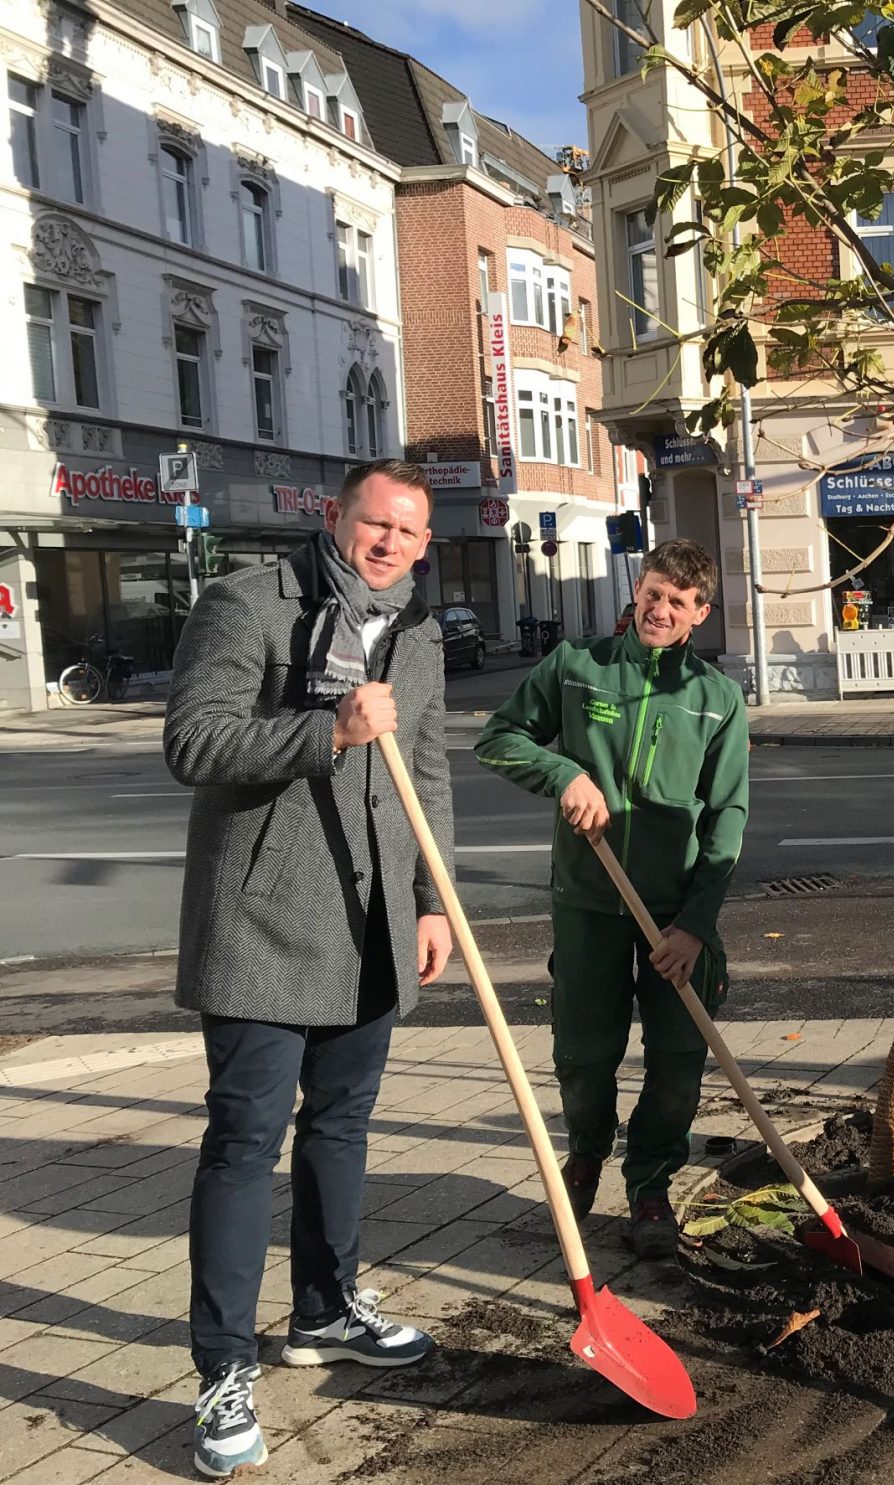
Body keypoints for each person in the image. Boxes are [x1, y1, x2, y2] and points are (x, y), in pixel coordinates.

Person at [165, 460, 455, 1479]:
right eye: (375, 524)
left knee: (341, 1127)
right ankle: (221, 1371)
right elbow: (193, 742)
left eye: (407, 534)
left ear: (424, 545)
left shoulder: (417, 634)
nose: (388, 545)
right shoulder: (247, 604)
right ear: (338, 519)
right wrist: (324, 729)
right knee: (245, 1143)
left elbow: (426, 770)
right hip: (262, 924)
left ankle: (326, 1310)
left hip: (371, 923)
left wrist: (431, 900)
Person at [476, 538, 748, 1260]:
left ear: (699, 615)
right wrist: (561, 772)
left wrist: (694, 925)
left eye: (679, 602)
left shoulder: (716, 700)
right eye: (654, 592)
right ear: (639, 590)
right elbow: (498, 740)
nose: (661, 609)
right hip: (590, 900)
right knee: (585, 1052)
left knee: (676, 1058)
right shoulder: (575, 668)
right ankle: (588, 1151)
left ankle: (652, 1186)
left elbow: (727, 820)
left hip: (675, 916)